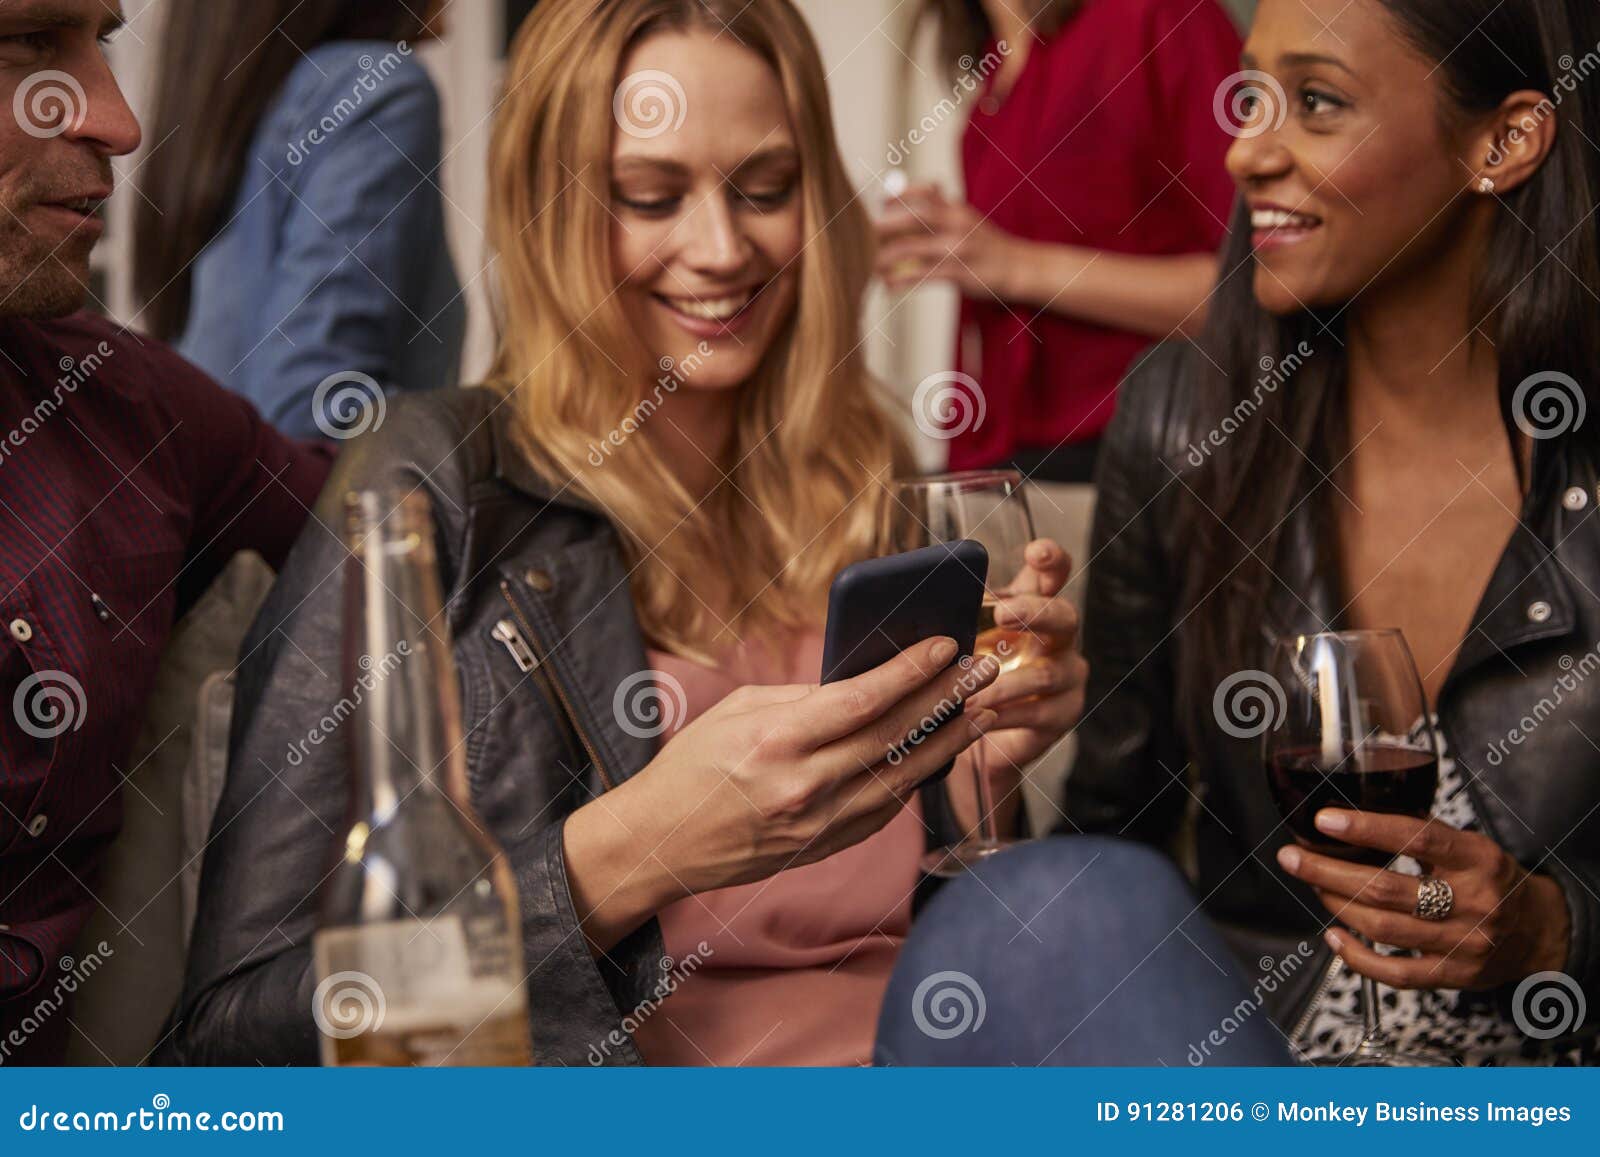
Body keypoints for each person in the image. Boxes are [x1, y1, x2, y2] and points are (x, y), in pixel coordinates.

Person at [164, 0, 1089, 1067]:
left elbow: (954, 927)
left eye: (767, 188)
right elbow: (228, 1037)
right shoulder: (433, 485)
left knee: (1102, 897)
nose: (722, 247)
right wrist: (628, 854)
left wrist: (992, 764)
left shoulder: (873, 486)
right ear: (551, 210)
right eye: (651, 196)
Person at [878, 0, 1600, 1066]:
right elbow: (1098, 861)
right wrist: (973, 764)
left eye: (1315, 102)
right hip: (1252, 1062)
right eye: (1253, 97)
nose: (1243, 147)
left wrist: (1555, 931)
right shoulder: (1187, 423)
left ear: (1502, 140)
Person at [0, 0, 333, 1063]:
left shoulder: (109, 397)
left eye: (102, 39)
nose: (118, 119)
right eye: (25, 46)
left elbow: (384, 517)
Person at [875, 0, 1242, 483]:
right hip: (1008, 466)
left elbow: (1256, 287)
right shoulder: (992, 92)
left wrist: (1016, 266)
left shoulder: (1157, 16)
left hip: (1148, 462)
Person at [133, 0, 464, 441]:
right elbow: (314, 405)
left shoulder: (233, 112)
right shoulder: (376, 90)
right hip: (298, 506)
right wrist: (499, 444)